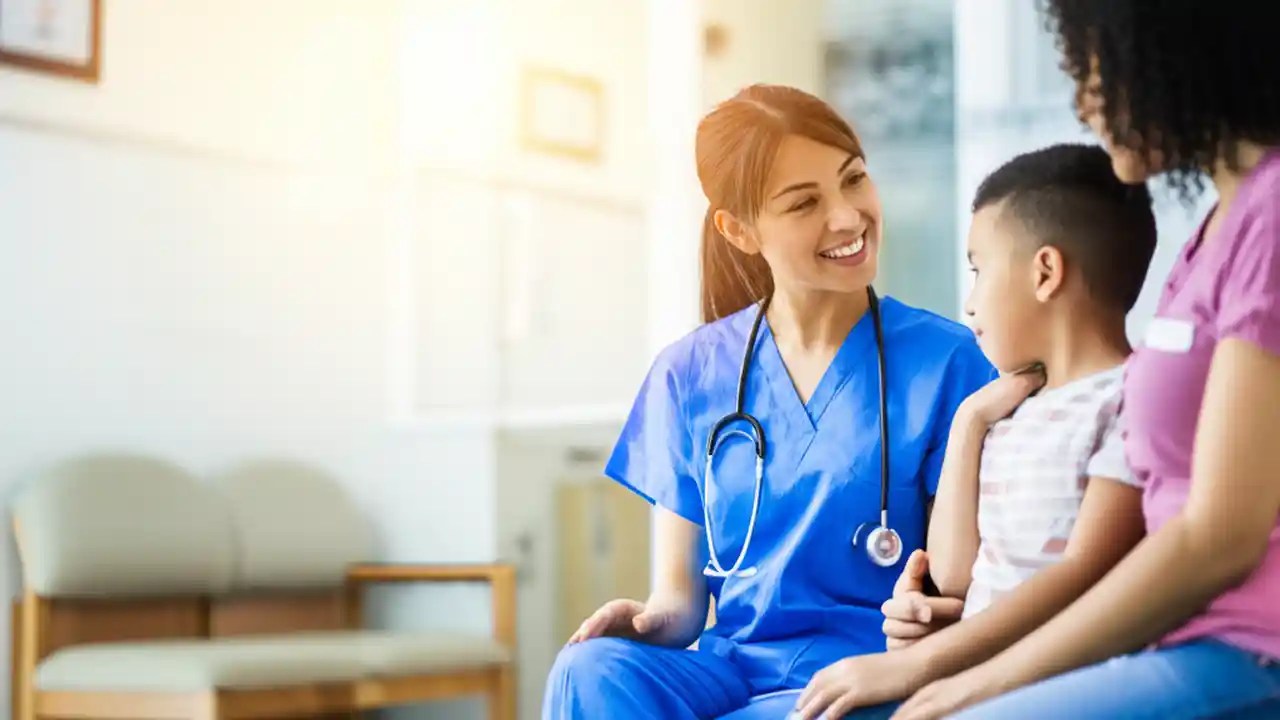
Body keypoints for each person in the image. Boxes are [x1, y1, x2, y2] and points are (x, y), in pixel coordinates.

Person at [541, 84, 995, 720]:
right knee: (588, 669)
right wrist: (644, 624)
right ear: (740, 230)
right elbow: (681, 606)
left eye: (854, 180)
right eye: (804, 203)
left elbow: (972, 583)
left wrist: (934, 622)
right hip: (730, 671)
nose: (846, 217)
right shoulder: (689, 374)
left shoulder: (948, 361)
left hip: (868, 675)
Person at [884, 3, 1280, 719]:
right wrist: (967, 642)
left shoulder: (1273, 212)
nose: (1082, 100)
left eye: (1093, 65)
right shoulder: (1212, 241)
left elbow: (1217, 537)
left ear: (1168, 49)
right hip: (1175, 640)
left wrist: (969, 680)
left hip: (1250, 648)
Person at [789, 143, 1157, 720]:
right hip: (977, 677)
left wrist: (918, 667)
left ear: (1045, 273)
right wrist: (970, 425)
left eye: (978, 269)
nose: (969, 302)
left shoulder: (1132, 400)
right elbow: (955, 575)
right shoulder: (1009, 409)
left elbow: (1084, 576)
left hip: (1058, 684)